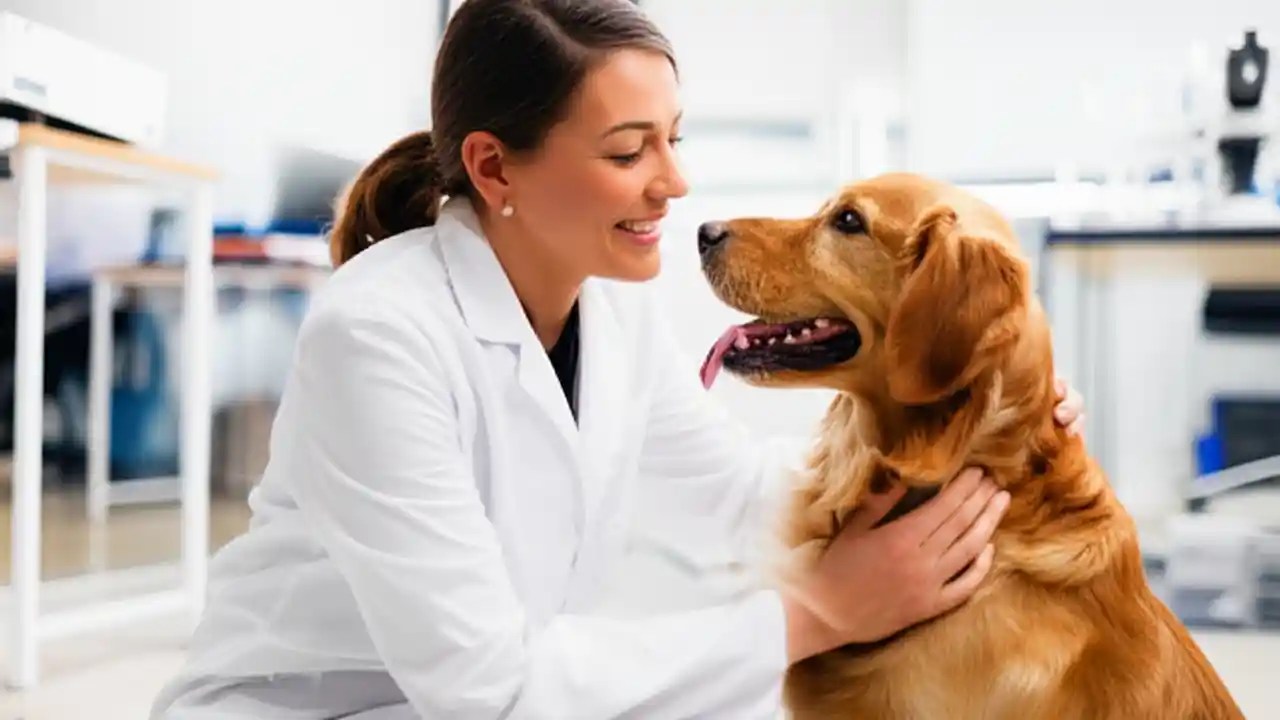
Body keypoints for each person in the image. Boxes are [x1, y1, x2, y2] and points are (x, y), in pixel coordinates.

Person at [151, 1, 1085, 718]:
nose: (675, 183)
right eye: (630, 150)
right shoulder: (375, 333)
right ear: (495, 168)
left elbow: (734, 493)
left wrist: (967, 442)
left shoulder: (609, 313)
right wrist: (820, 614)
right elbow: (491, 691)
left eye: (672, 140)